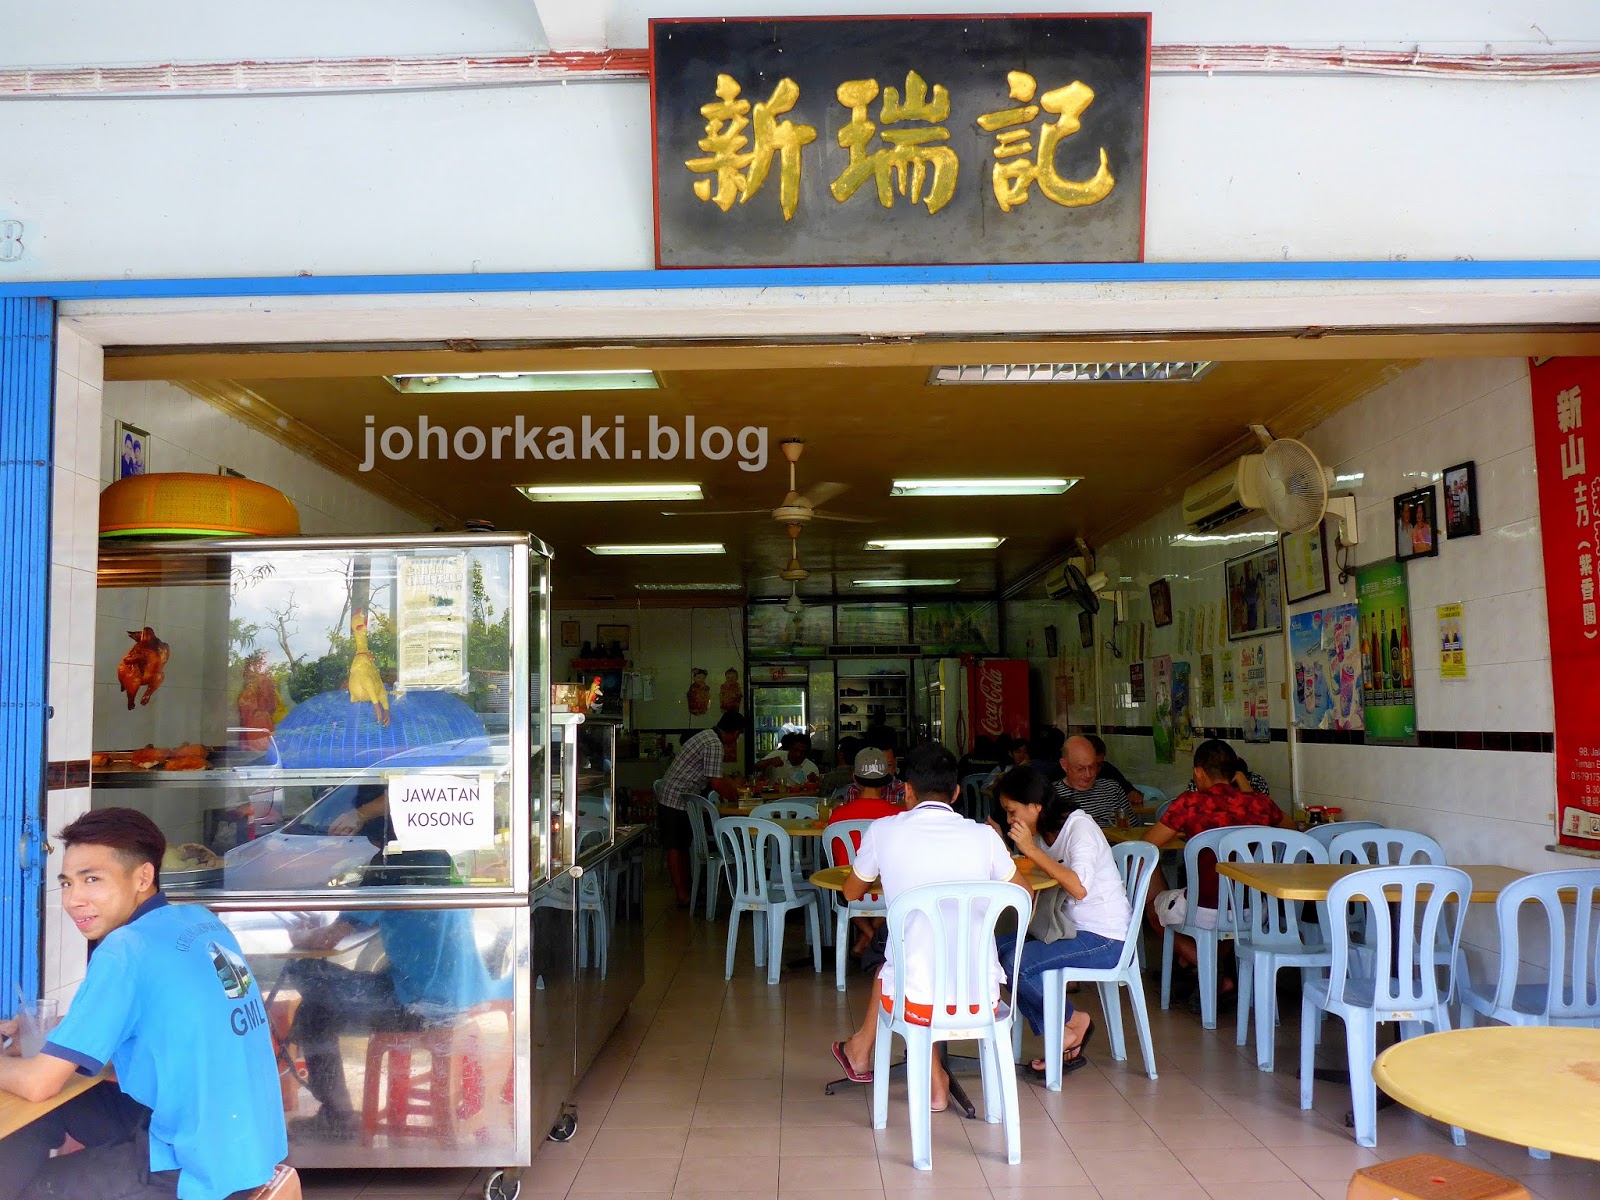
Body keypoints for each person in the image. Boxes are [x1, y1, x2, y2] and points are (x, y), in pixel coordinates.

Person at [0, 808, 285, 1200]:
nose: (73, 900)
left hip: (193, 1169)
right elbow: (162, 1017)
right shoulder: (199, 922)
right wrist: (49, 1032)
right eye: (67, 883)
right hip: (246, 1149)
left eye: (93, 880)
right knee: (61, 1108)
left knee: (24, 1183)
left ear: (143, 877)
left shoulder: (126, 949)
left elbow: (37, 1083)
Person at [828, 744, 1025, 1111]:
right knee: (910, 958)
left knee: (895, 959)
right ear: (955, 794)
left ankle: (884, 1060)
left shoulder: (884, 830)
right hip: (983, 993)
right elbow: (1022, 896)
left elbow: (852, 891)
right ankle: (929, 1078)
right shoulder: (984, 836)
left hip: (916, 996)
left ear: (906, 790)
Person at [991, 766, 1130, 1079]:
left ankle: (1073, 1022)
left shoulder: (1080, 828)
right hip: (1068, 931)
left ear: (1035, 806)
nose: (1011, 819)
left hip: (1106, 938)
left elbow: (1078, 886)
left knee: (1017, 963)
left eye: (1013, 811)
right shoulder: (1043, 833)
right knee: (994, 950)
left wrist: (1028, 848)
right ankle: (1065, 1026)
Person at [1143, 739, 1283, 1008]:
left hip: (1206, 908)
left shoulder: (1190, 803)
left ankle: (1207, 967)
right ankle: (1209, 969)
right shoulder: (1259, 804)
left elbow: (1147, 843)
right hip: (1255, 909)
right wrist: (1245, 790)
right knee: (1227, 923)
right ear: (1234, 773)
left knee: (1154, 911)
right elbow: (1291, 830)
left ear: (1198, 772)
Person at [824, 746, 907, 955]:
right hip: (889, 892)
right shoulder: (899, 815)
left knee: (840, 886)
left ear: (855, 778)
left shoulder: (838, 816)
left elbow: (836, 860)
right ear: (888, 778)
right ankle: (872, 937)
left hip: (849, 891)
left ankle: (866, 936)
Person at [658, 710, 745, 907]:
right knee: (676, 847)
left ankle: (688, 891)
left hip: (677, 795)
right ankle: (683, 895)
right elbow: (716, 782)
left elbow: (717, 776)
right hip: (675, 798)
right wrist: (736, 797)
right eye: (738, 734)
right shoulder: (714, 744)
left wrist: (731, 786)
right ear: (735, 732)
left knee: (680, 846)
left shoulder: (706, 735)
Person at [1055, 735, 1134, 826]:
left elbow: (1132, 830)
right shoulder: (1053, 796)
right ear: (1064, 765)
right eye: (1080, 769)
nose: (1088, 775)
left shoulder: (1113, 789)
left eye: (1092, 767)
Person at [841, 729, 907, 806]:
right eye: (877, 766)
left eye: (888, 765)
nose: (883, 772)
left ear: (896, 762)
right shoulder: (854, 790)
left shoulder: (905, 792)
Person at [1084, 733, 1142, 810]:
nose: (1095, 770)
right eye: (1091, 765)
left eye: (1099, 764)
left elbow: (1127, 788)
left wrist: (1133, 793)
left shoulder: (1107, 770)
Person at [755, 731, 820, 787]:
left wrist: (814, 782)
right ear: (789, 748)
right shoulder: (777, 755)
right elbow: (756, 767)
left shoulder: (811, 768)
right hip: (773, 799)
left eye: (802, 752)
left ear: (807, 753)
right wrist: (770, 762)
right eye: (795, 750)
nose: (798, 754)